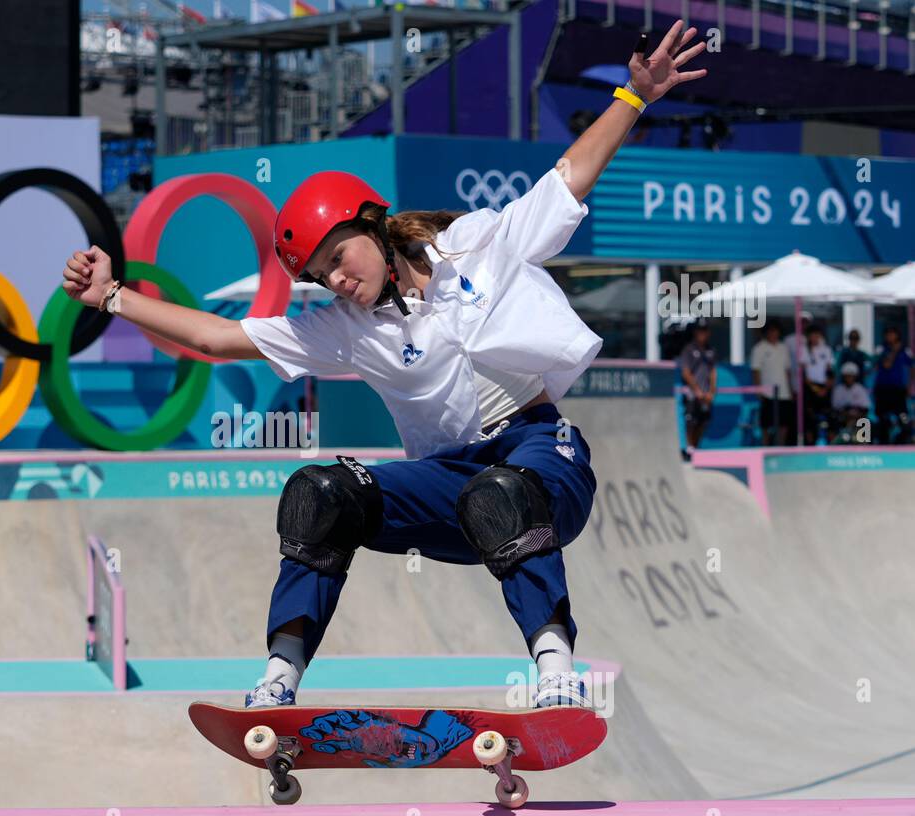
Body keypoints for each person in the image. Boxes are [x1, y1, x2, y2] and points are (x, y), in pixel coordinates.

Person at [63, 22, 707, 711]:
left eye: (339, 259)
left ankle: (554, 672)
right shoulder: (345, 331)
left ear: (372, 226)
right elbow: (220, 339)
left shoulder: (477, 246)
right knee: (321, 493)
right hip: (449, 489)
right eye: (319, 275)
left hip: (542, 462)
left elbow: (570, 176)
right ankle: (280, 679)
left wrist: (634, 95)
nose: (336, 281)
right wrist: (112, 295)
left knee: (500, 490)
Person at [750, 319, 793, 446]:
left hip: (784, 392)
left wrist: (790, 390)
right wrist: (759, 390)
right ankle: (765, 447)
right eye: (770, 331)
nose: (773, 334)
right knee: (766, 424)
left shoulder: (783, 348)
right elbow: (756, 371)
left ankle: (781, 448)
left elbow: (787, 371)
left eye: (775, 331)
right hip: (767, 393)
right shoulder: (759, 348)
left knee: (784, 423)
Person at [679, 317, 717, 460]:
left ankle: (695, 447)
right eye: (700, 331)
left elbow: (713, 371)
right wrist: (697, 390)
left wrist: (711, 391)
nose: (703, 334)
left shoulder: (710, 350)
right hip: (692, 394)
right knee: (691, 421)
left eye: (705, 331)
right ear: (696, 332)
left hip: (706, 394)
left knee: (703, 421)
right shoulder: (689, 349)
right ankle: (690, 448)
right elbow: (686, 372)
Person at [873, 326, 913, 444]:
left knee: (903, 419)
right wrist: (894, 351)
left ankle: (899, 444)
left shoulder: (905, 350)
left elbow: (911, 367)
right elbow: (886, 365)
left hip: (898, 390)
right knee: (883, 420)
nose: (890, 336)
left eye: (893, 334)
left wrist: (909, 385)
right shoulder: (881, 349)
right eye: (888, 334)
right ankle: (882, 445)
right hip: (883, 390)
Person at [800, 324, 834, 444]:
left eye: (817, 335)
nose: (814, 338)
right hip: (811, 388)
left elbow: (830, 371)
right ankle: (810, 443)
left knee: (828, 415)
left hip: (824, 388)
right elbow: (803, 374)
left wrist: (825, 388)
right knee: (810, 417)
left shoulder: (826, 349)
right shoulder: (804, 350)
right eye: (812, 335)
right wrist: (815, 389)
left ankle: (829, 442)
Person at [829, 362, 870, 442]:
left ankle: (863, 447)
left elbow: (866, 408)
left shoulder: (860, 389)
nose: (849, 378)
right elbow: (835, 408)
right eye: (847, 376)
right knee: (832, 420)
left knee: (865, 422)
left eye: (851, 376)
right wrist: (847, 415)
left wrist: (855, 416)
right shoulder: (838, 389)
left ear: (855, 377)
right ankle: (834, 446)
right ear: (843, 377)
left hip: (857, 417)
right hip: (842, 417)